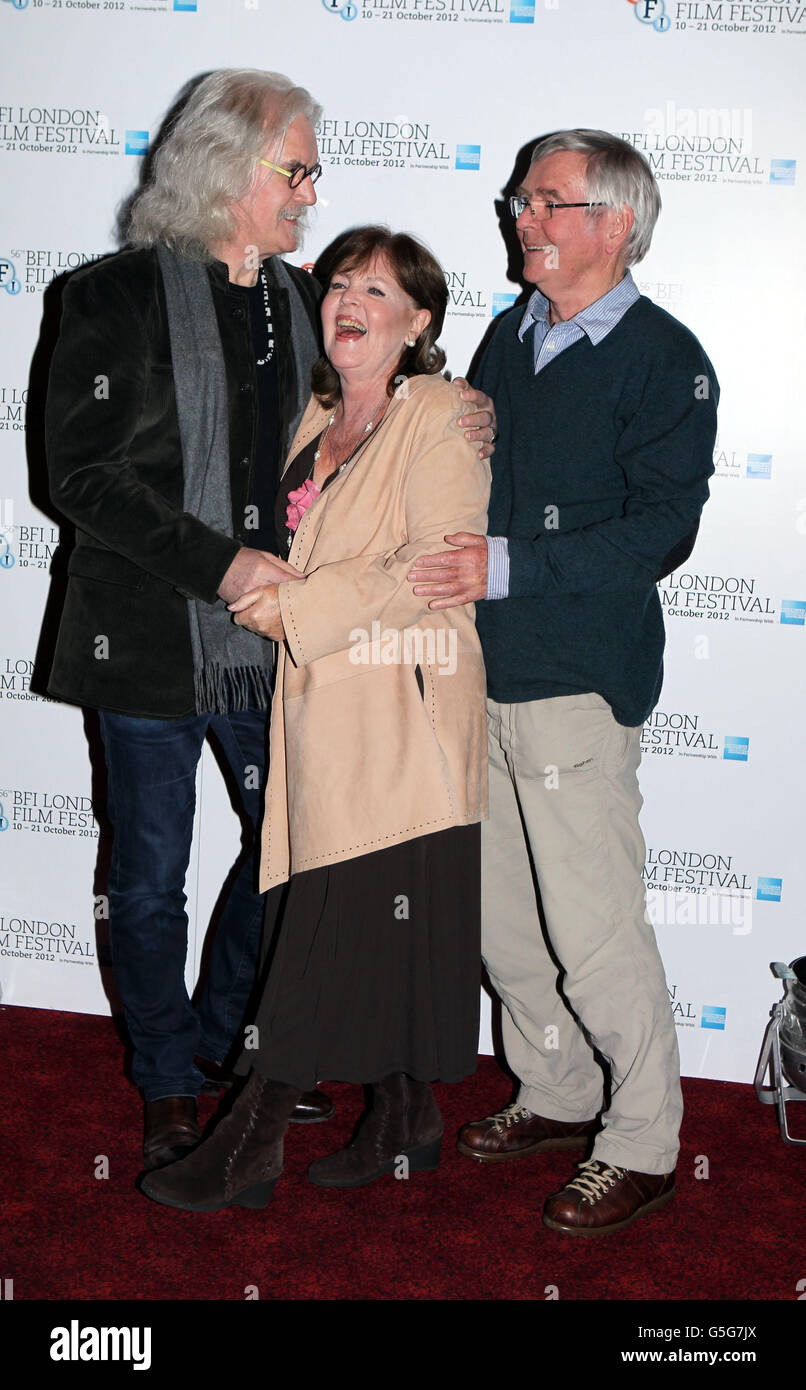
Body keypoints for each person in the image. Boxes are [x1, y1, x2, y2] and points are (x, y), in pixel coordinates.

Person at [45, 68, 496, 1173]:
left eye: (309, 169)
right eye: (294, 167)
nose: (310, 188)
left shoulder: (297, 298)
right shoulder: (108, 296)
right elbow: (82, 476)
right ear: (225, 168)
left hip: (284, 642)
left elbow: (368, 407)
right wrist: (220, 561)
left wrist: (459, 398)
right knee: (148, 875)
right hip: (147, 638)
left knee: (287, 858)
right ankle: (164, 1081)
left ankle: (227, 1044)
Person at [140, 225, 491, 1213]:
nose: (348, 300)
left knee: (318, 935)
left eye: (377, 290)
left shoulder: (442, 412)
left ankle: (250, 1140)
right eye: (338, 282)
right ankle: (405, 1118)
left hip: (399, 711)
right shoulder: (313, 414)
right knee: (364, 927)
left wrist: (295, 606)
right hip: (316, 714)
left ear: (417, 319)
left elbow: (433, 563)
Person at [406, 130, 719, 1236]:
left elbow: (658, 533)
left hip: (574, 680)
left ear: (614, 223)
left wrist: (507, 564)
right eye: (520, 198)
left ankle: (641, 1142)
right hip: (478, 675)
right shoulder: (507, 335)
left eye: (545, 201)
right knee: (499, 923)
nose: (519, 217)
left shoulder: (662, 357)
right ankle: (555, 1090)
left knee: (590, 930)